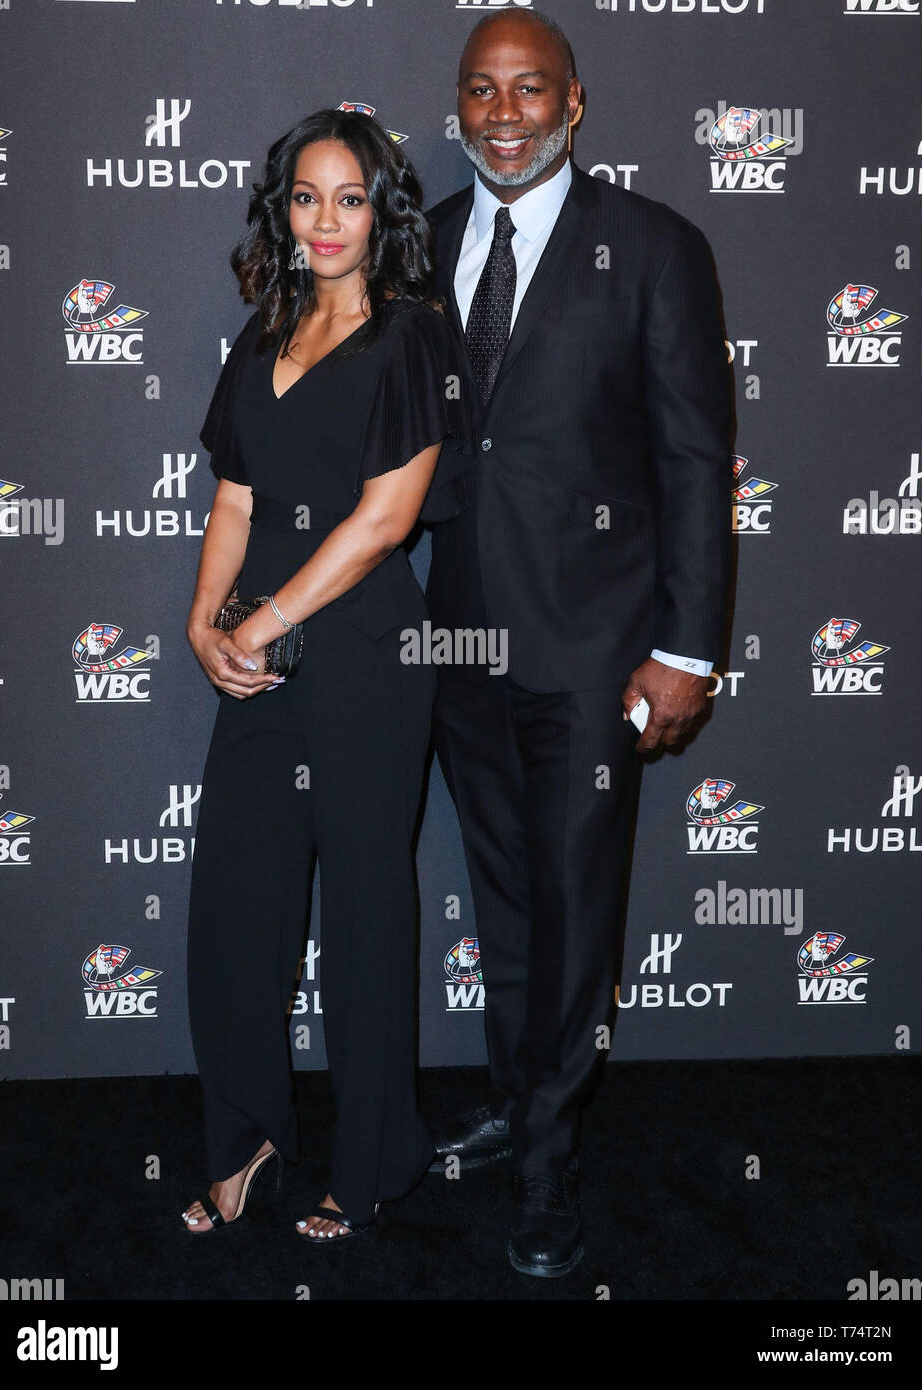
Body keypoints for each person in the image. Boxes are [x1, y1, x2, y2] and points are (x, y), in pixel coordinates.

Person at [425, 9, 733, 1277]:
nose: (505, 113)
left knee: (573, 910)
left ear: (575, 104)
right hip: (454, 652)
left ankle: (549, 1164)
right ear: (459, 107)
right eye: (482, 91)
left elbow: (695, 461)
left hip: (598, 657)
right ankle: (519, 1094)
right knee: (505, 907)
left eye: (529, 89)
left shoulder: (656, 247)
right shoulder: (425, 243)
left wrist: (688, 650)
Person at [181, 108, 468, 1242]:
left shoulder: (413, 336)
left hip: (363, 662)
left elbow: (387, 520)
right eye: (308, 195)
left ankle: (368, 1160)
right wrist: (206, 624)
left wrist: (266, 623)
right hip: (259, 658)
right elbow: (237, 501)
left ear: (383, 211)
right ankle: (245, 1137)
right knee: (236, 909)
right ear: (281, 207)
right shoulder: (265, 332)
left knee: (362, 912)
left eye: (352, 198)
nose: (328, 219)